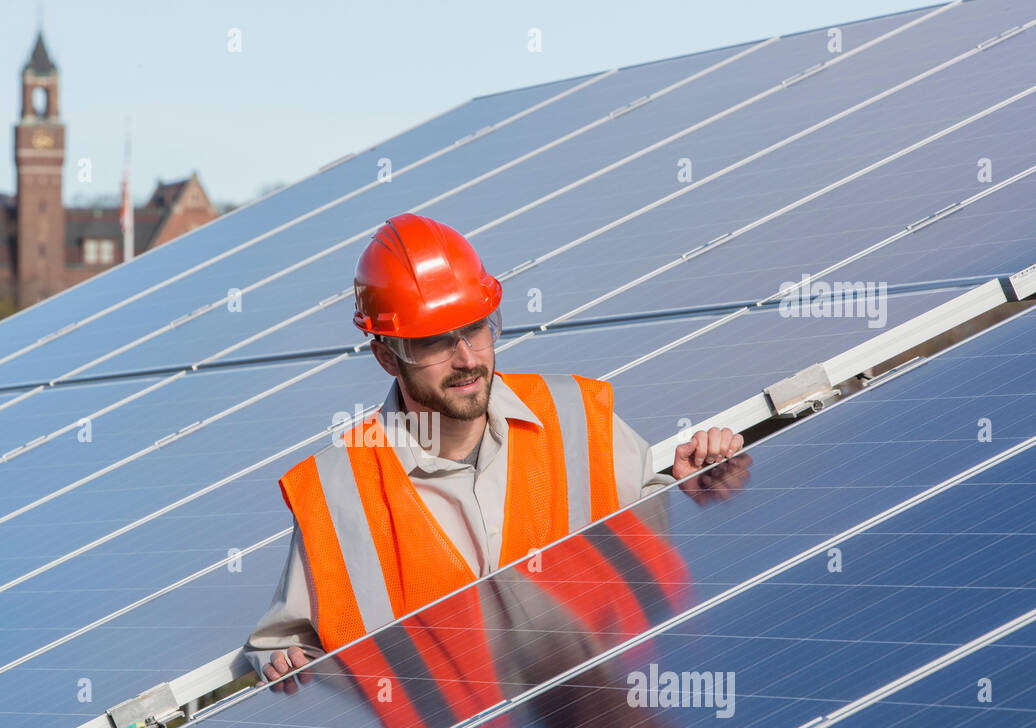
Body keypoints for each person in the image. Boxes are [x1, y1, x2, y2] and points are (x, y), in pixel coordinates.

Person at [245, 213, 746, 684]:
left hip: (623, 712)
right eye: (436, 342)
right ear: (385, 356)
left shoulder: (574, 412)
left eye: (476, 328)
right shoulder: (336, 490)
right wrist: (284, 663)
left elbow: (653, 545)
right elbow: (287, 650)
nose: (466, 359)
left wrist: (695, 488)